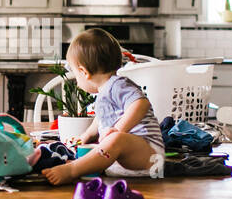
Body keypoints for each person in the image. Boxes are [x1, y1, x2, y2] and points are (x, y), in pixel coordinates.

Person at [42, 29, 164, 185]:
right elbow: (100, 120)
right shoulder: (104, 92)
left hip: (149, 154)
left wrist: (118, 129)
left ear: (83, 72)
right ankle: (83, 165)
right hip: (130, 161)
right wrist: (85, 135)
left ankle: (73, 169)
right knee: (108, 142)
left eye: (75, 74)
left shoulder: (118, 85)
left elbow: (141, 104)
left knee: (116, 139)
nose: (77, 80)